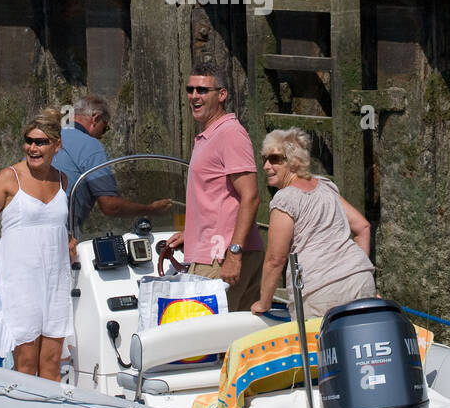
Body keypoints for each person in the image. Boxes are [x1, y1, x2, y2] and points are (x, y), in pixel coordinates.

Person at [0, 108, 77, 380]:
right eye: (29, 141)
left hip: (54, 279)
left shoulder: (62, 179)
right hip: (19, 281)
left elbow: (57, 228)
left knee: (52, 362)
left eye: (40, 142)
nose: (33, 147)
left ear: (56, 145)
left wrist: (69, 243)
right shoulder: (8, 178)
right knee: (26, 364)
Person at [164, 61, 263, 312]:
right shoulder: (210, 135)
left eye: (202, 90)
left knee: (208, 341)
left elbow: (250, 196)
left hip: (222, 257)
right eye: (190, 89)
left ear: (222, 95)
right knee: (227, 342)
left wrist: (235, 254)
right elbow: (219, 199)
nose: (194, 96)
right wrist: (192, 234)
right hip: (214, 251)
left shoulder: (229, 133)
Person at [251, 127, 375, 317]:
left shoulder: (284, 199)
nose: (266, 166)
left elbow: (275, 260)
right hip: (360, 280)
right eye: (264, 159)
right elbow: (363, 227)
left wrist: (264, 302)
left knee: (317, 347)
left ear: (294, 162)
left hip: (319, 291)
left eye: (275, 159)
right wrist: (355, 269)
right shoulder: (326, 186)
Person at [52, 94, 171, 234]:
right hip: (60, 233)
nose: (102, 136)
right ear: (95, 118)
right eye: (105, 128)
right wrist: (150, 209)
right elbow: (110, 206)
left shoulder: (49, 136)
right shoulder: (90, 145)